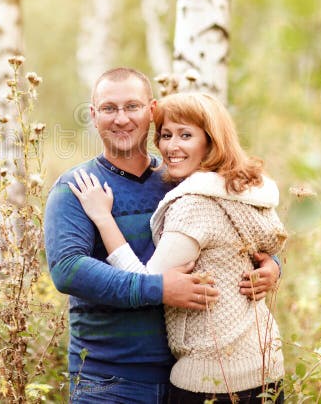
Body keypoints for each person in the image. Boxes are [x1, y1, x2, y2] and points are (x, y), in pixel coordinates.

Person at [44, 68, 280, 403]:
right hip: (110, 379)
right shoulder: (78, 188)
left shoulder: (182, 180)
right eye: (109, 109)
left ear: (151, 111)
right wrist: (159, 289)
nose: (121, 119)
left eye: (132, 107)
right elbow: (68, 269)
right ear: (94, 116)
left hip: (186, 376)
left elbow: (234, 228)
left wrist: (271, 265)